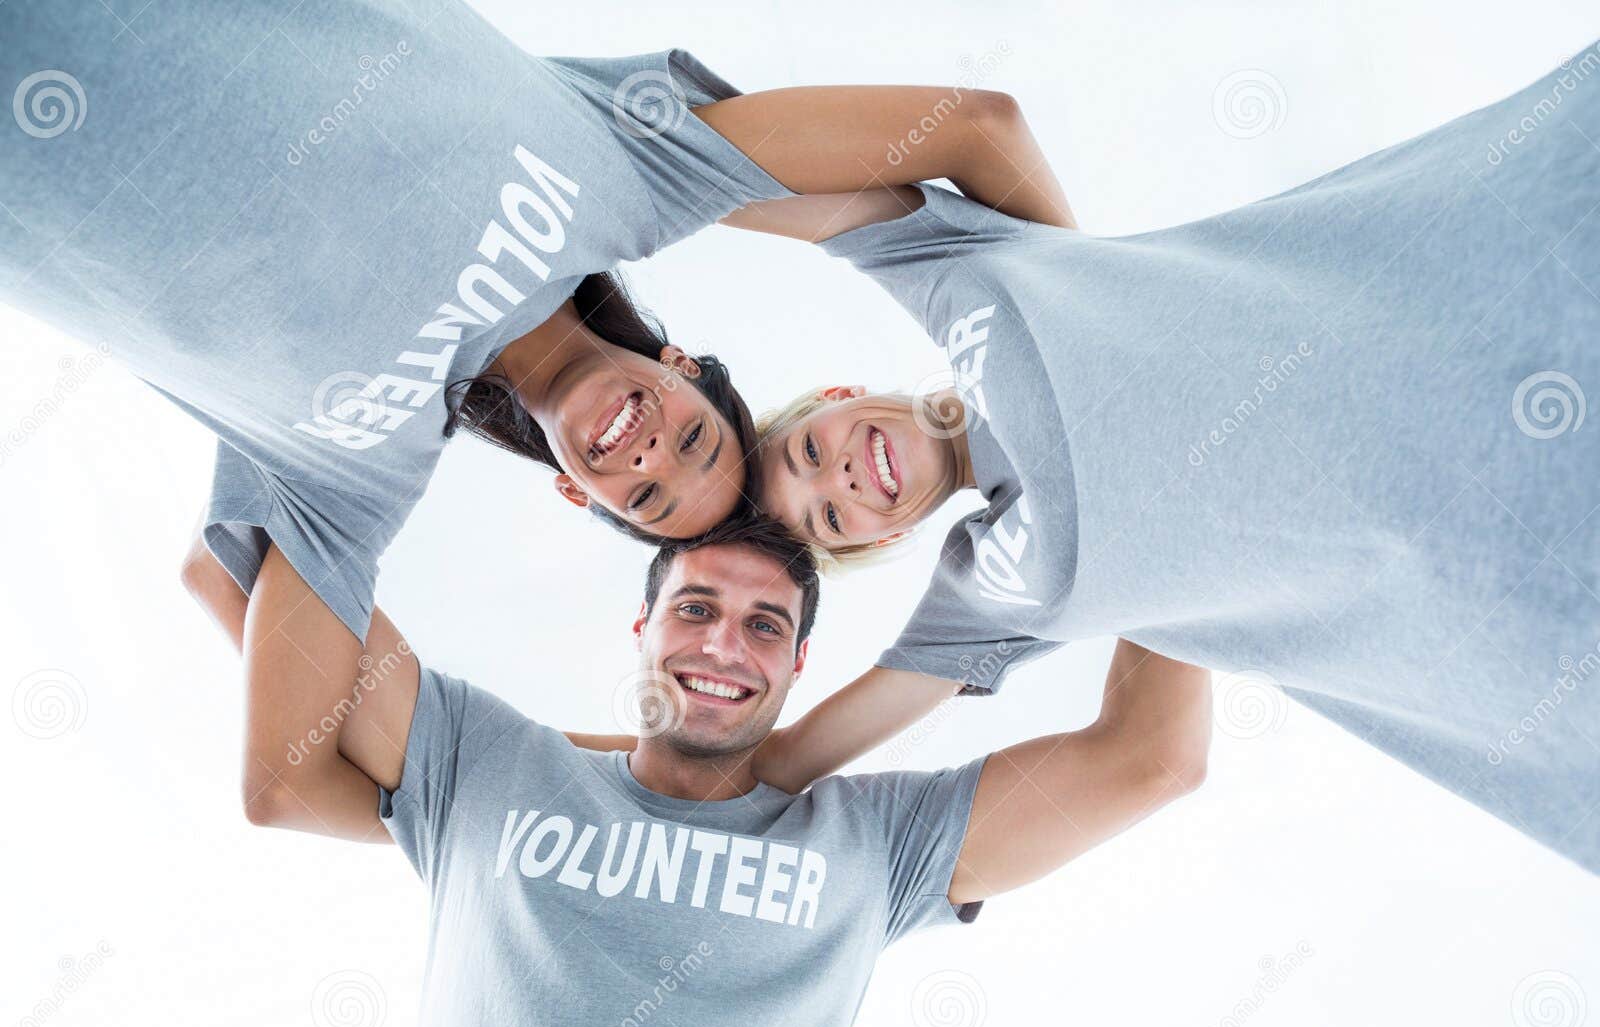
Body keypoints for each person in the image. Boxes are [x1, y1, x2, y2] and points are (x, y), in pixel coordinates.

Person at [1, 0, 1068, 819]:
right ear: (685, 362)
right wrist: (1076, 357)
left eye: (647, 493)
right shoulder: (629, 171)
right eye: (694, 435)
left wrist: (605, 766)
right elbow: (974, 129)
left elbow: (282, 781)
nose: (649, 447)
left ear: (574, 490)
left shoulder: (358, 469)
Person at [734, 41, 1600, 874]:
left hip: (1468, 307)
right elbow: (781, 762)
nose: (837, 480)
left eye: (810, 451)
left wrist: (599, 279)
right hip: (1495, 575)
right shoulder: (978, 599)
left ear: (838, 397)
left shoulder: (953, 266)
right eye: (830, 521)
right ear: (877, 540)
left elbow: (717, 175)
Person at [179, 519, 1211, 1027]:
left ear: (801, 663)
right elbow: (246, 560)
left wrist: (1144, 504)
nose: (724, 641)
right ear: (642, 627)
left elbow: (1152, 757)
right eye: (697, 607)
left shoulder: (877, 842)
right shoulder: (483, 758)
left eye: (765, 625)